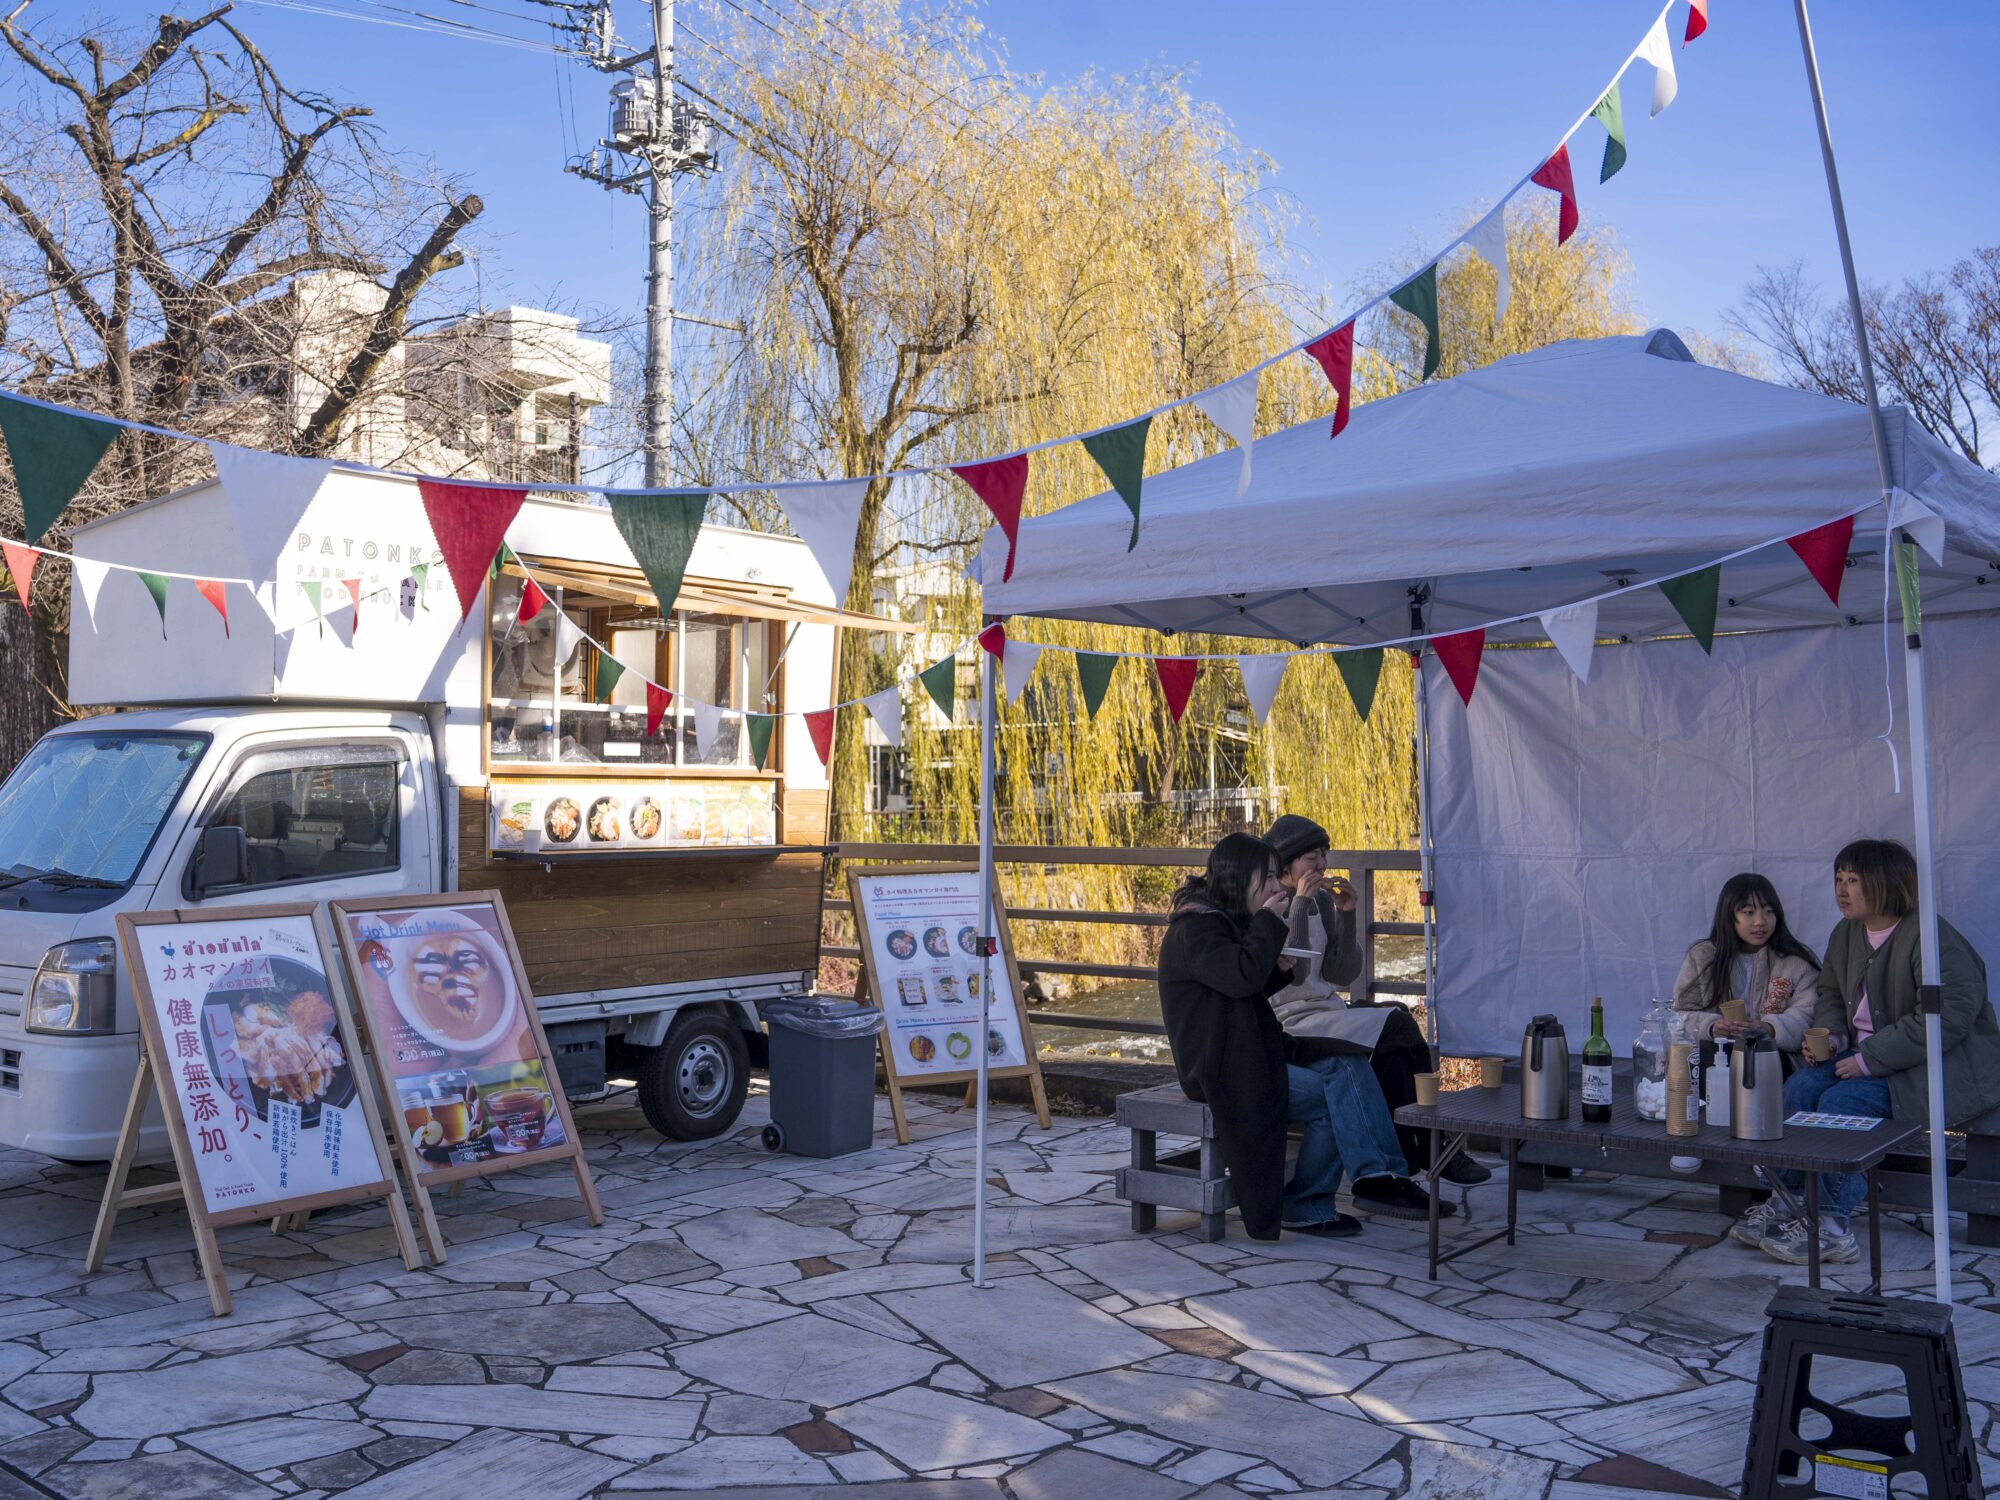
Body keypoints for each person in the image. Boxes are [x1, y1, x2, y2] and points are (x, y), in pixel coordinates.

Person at [1736, 839, 2000, 1266]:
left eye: (1854, 880)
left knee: (1844, 1103)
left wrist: (1868, 1059)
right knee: (1801, 1086)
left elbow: (1946, 1018)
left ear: (1887, 883)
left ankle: (1832, 1226)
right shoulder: (1846, 933)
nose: (1841, 890)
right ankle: (1789, 1201)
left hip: (1930, 1067)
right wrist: (1831, 1036)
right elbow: (1830, 993)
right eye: (1839, 879)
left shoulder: (1931, 938)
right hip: (1863, 1058)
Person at [1263, 814, 1491, 1188]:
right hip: (1291, 1019)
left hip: (1326, 1009)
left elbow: (1341, 974)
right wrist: (1300, 903)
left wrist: (1347, 914)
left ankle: (1408, 1156)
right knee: (1396, 1025)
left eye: (1324, 855)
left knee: (1396, 1028)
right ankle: (1432, 1145)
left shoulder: (1321, 901)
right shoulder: (1273, 905)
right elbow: (1297, 975)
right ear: (1286, 864)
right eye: (1311, 858)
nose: (1321, 865)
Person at [1157, 833, 1360, 1240]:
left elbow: (1245, 987)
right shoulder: (1196, 928)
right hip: (1215, 1069)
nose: (1274, 885)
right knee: (1330, 1098)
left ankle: (1368, 1177)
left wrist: (1279, 968)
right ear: (1237, 877)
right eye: (1266, 877)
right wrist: (1267, 921)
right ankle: (1306, 1202)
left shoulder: (1223, 919)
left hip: (1244, 1053)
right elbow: (1240, 977)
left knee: (1345, 1066)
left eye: (1273, 876)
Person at [1672, 872, 1822, 1051]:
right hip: (1714, 1056)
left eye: (1769, 911)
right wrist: (1711, 1027)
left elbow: (1808, 1013)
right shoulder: (1702, 957)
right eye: (1749, 912)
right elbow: (1679, 1015)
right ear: (1729, 915)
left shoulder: (1796, 960)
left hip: (1774, 1057)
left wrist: (1770, 1028)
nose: (1760, 922)